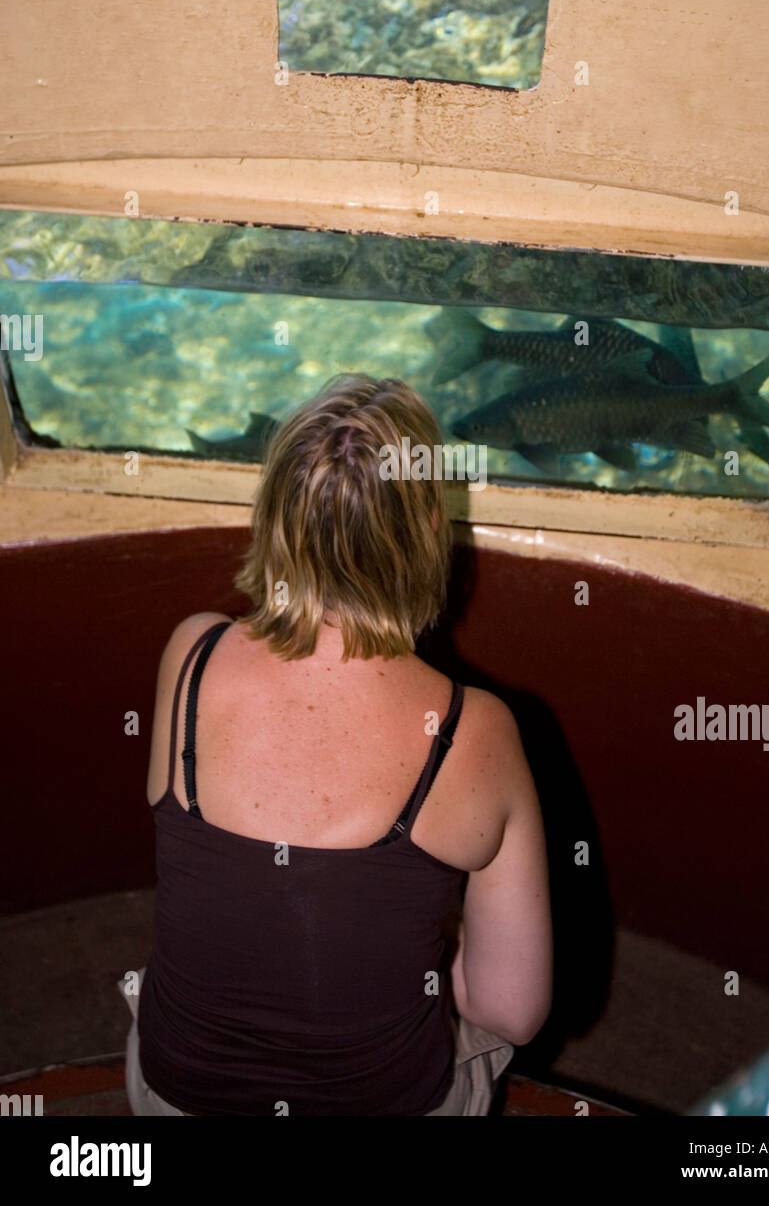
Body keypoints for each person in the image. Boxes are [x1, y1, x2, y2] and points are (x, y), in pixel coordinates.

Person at [121, 374, 553, 1115]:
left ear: (274, 514)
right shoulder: (472, 729)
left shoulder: (190, 654)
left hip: (176, 1097)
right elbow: (510, 1011)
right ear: (425, 529)